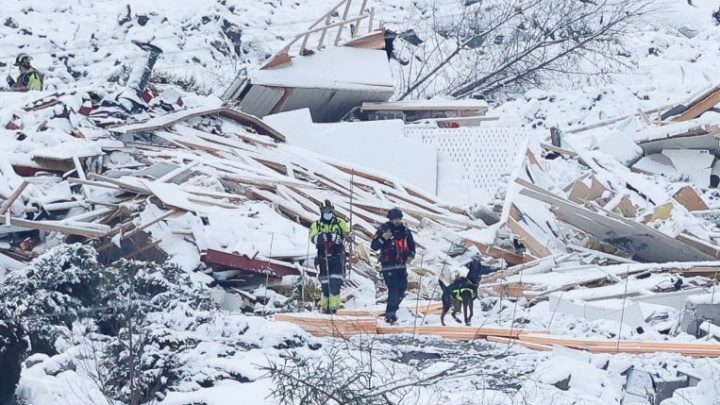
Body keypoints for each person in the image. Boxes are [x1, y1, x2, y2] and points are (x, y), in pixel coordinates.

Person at [371, 208, 415, 324]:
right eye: (395, 219)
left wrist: (411, 256)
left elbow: (412, 247)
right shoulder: (384, 229)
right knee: (393, 289)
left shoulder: (405, 231)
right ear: (390, 219)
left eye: (399, 219)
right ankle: (390, 313)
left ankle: (393, 309)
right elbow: (374, 246)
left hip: (401, 265)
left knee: (402, 289)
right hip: (388, 265)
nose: (397, 221)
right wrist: (383, 238)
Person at [309, 200, 350, 314]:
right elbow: (312, 238)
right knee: (325, 285)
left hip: (337, 257)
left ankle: (334, 307)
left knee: (335, 283)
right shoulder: (316, 225)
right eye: (325, 211)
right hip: (323, 258)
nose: (328, 213)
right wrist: (322, 238)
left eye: (329, 211)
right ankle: (325, 307)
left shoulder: (340, 223)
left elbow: (348, 235)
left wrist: (341, 237)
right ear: (321, 212)